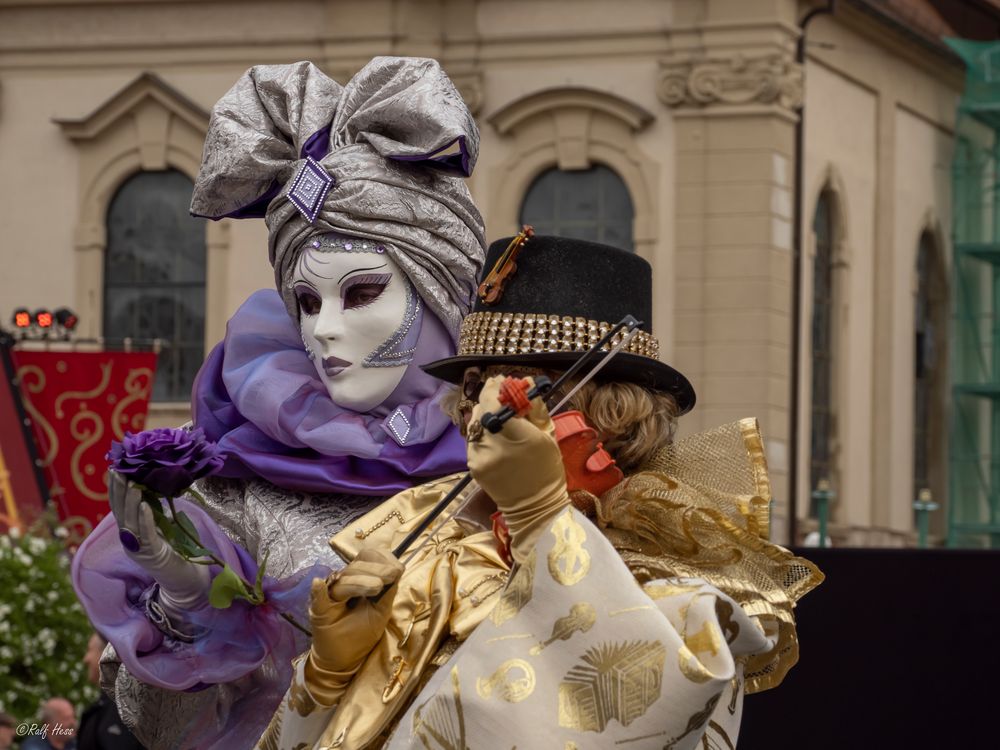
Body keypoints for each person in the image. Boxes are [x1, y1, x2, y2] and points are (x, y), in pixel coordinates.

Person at [258, 235, 824, 749]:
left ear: (609, 410)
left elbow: (638, 703)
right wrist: (327, 678)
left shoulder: (668, 552)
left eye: (518, 391)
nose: (480, 412)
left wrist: (543, 521)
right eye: (476, 387)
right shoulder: (430, 540)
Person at [72, 56, 485, 749]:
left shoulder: (513, 465)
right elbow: (162, 731)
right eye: (305, 299)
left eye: (359, 292)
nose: (323, 328)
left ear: (442, 296)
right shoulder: (240, 487)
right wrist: (184, 603)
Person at [77, 633, 143, 750]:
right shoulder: (105, 706)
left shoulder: (124, 709)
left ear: (105, 655)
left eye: (90, 650)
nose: (85, 659)